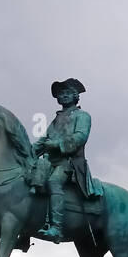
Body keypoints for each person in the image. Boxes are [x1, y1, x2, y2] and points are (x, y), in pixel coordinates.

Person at [30, 78, 102, 242]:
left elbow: (80, 137)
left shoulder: (82, 116)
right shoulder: (56, 119)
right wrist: (27, 152)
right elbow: (43, 141)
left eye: (67, 93)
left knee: (54, 182)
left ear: (76, 96)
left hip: (69, 163)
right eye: (61, 94)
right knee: (29, 177)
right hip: (50, 161)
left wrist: (57, 144)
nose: (63, 96)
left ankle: (56, 227)